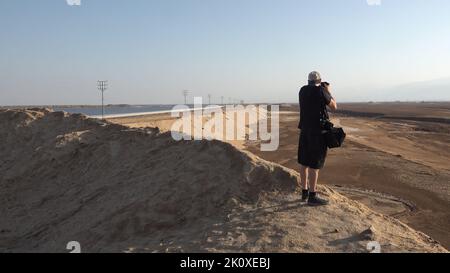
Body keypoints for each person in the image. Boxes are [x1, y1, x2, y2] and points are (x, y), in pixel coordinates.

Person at [298, 71, 337, 206]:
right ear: (319, 81)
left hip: (305, 131)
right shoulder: (321, 91)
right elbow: (334, 106)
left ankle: (304, 192)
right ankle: (312, 196)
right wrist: (328, 91)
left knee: (304, 163)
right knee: (315, 165)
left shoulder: (302, 90)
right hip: (318, 132)